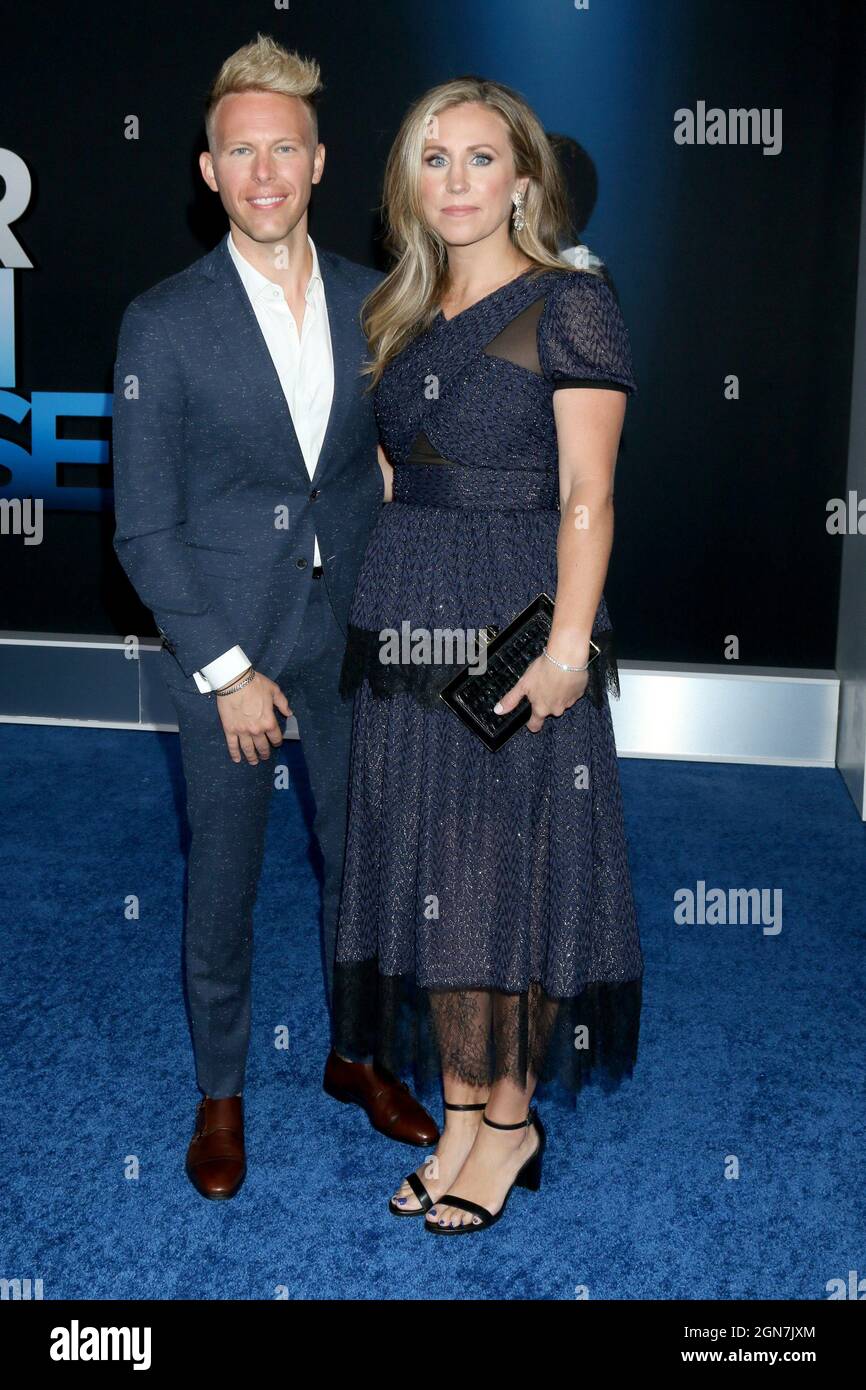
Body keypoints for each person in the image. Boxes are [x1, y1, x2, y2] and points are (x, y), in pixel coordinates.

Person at [111, 34, 437, 1203]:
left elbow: (382, 470)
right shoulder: (162, 323)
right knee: (226, 878)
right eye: (238, 150)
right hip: (230, 652)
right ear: (207, 170)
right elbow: (143, 530)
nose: (262, 171)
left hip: (350, 636)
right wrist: (229, 669)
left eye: (282, 150)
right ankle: (220, 1092)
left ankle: (359, 1057)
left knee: (364, 867)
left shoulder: (373, 300)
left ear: (317, 162)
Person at [333, 75, 644, 1234]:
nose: (454, 182)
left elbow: (588, 491)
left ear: (522, 179)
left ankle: (510, 1126)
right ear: (407, 183)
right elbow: (391, 474)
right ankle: (460, 1110)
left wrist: (566, 646)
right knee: (428, 866)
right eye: (431, 159)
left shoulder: (569, 303)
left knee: (498, 871)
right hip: (405, 614)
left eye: (478, 159)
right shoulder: (397, 312)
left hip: (511, 618)